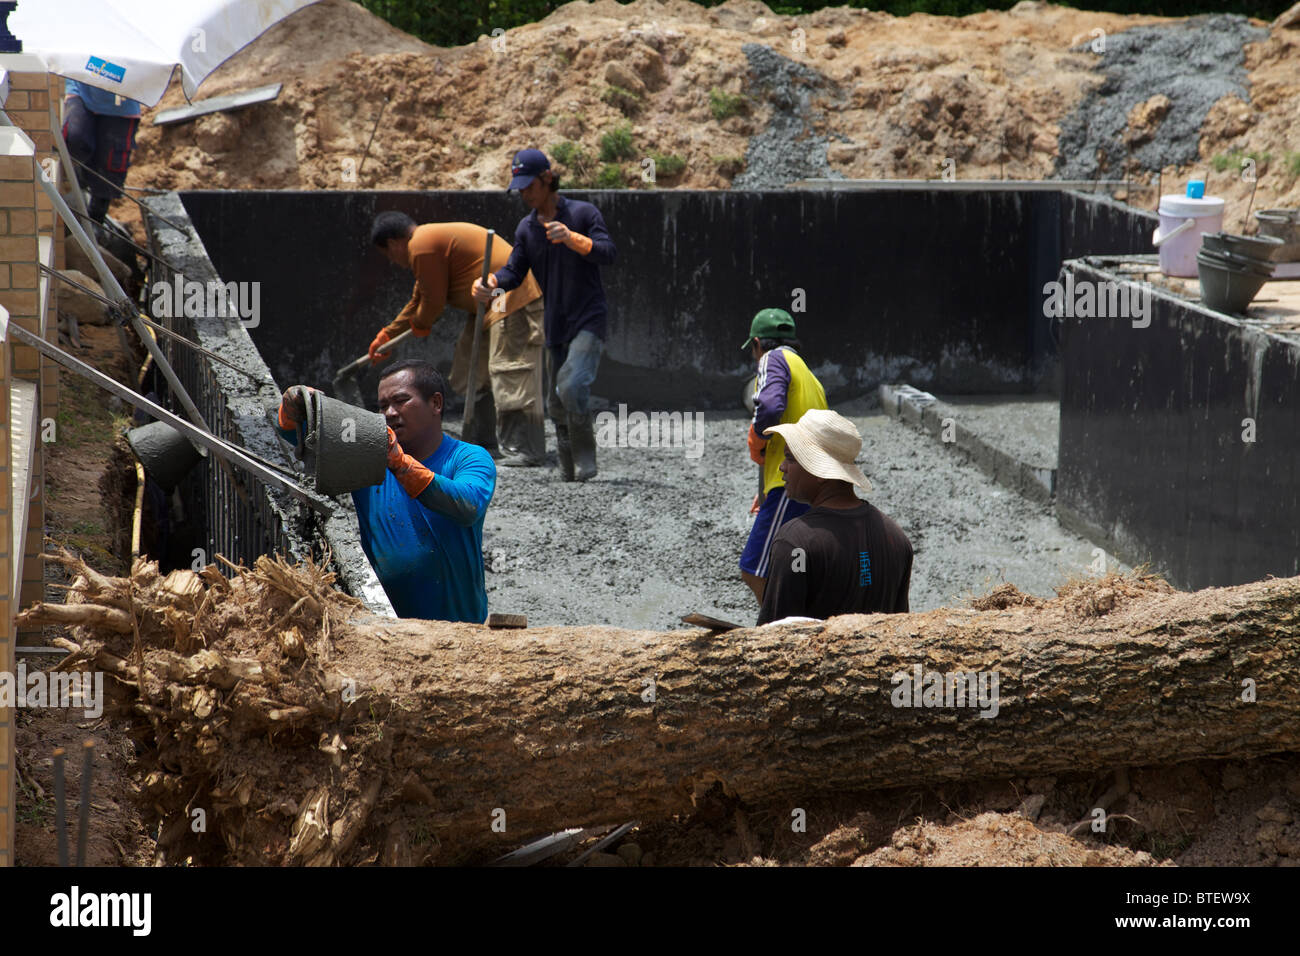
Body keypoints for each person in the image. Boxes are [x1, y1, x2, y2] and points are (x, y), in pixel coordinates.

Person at [276, 360, 496, 622]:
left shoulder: (468, 457)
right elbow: (295, 433)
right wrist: (292, 407)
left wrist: (400, 463)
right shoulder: (366, 454)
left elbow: (467, 505)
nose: (390, 413)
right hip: (387, 627)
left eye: (401, 400)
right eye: (382, 406)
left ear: (436, 403)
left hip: (460, 627)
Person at [472, 148, 616, 482]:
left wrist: (572, 238)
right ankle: (569, 469)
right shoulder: (526, 228)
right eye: (519, 188)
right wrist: (491, 284)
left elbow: (608, 252)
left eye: (529, 186)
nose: (524, 193)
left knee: (572, 384)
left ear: (547, 179)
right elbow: (514, 272)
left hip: (588, 319)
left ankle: (584, 457)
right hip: (555, 323)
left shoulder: (582, 213)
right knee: (554, 402)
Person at [369, 213, 547, 466]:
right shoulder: (427, 242)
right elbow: (419, 299)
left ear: (394, 242)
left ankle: (525, 449)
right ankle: (486, 443)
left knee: (510, 371)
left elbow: (433, 303)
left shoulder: (421, 244)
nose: (394, 262)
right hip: (487, 308)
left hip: (510, 299)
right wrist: (386, 335)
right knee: (473, 373)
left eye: (389, 254)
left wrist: (422, 323)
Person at [757, 409, 913, 625]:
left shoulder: (795, 543)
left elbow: (773, 641)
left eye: (791, 458)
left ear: (820, 472)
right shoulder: (897, 539)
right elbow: (900, 629)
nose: (782, 467)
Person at [740, 308, 828, 603]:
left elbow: (768, 408)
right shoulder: (810, 378)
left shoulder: (772, 359)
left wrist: (756, 437)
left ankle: (774, 629)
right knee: (792, 571)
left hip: (790, 483)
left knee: (756, 570)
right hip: (812, 486)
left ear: (757, 343)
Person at [62, 79, 142, 224]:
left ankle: (96, 220)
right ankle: (80, 180)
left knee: (110, 169)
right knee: (75, 138)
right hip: (82, 91)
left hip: (123, 105)